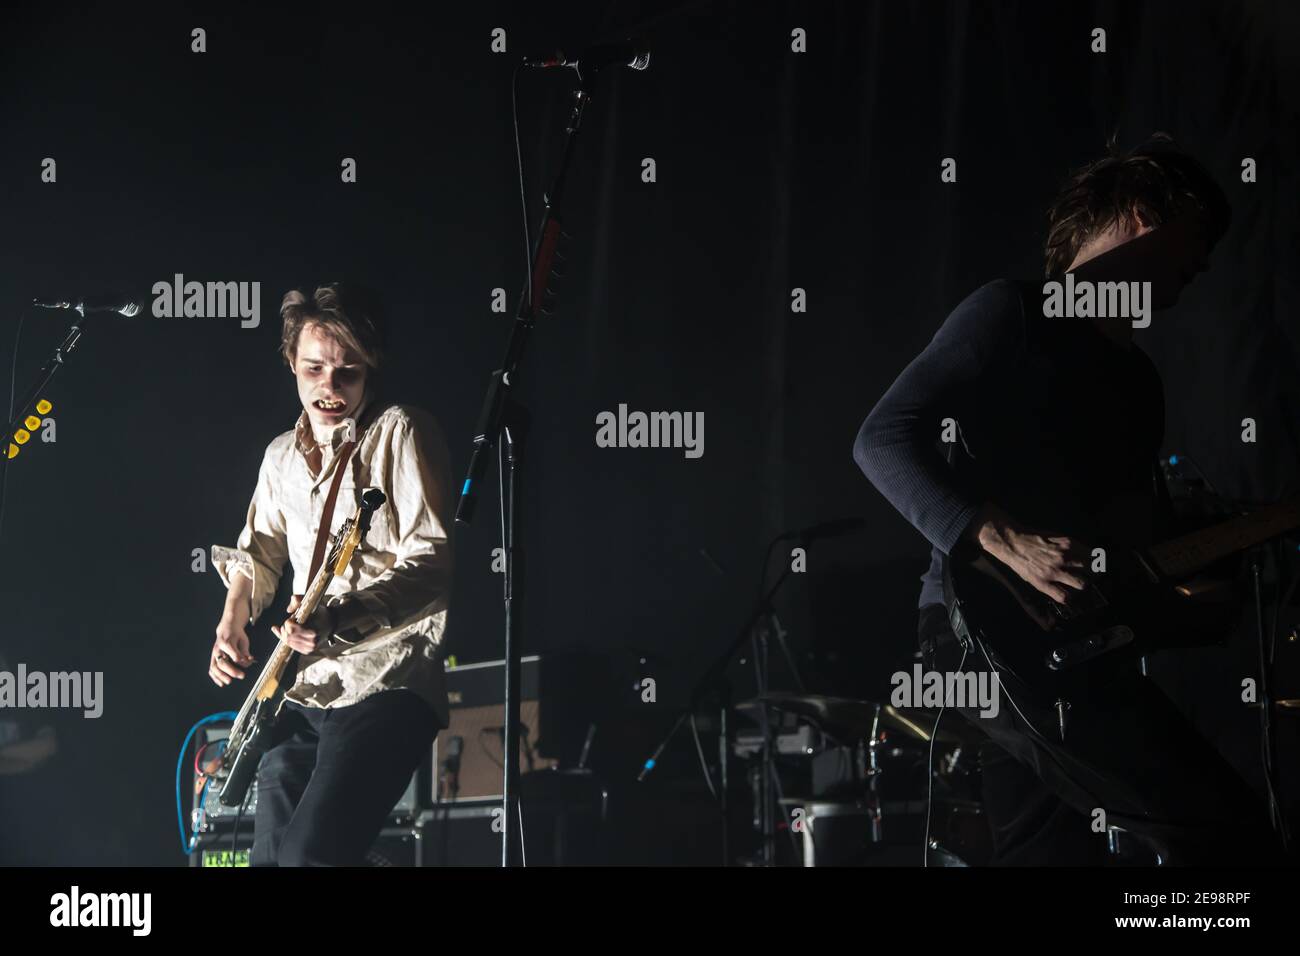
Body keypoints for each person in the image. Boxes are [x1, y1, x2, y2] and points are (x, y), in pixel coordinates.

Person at [853, 134, 1283, 865]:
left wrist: (1205, 585)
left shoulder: (1139, 382)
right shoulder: (1013, 315)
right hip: (981, 640)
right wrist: (1002, 538)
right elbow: (882, 438)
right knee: (1223, 836)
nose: (1202, 265)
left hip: (1079, 650)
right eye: (1198, 236)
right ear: (1147, 210)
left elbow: (1123, 552)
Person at [208, 283, 454, 866]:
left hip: (386, 682)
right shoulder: (278, 458)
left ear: (371, 367)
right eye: (315, 367)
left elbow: (432, 563)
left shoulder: (402, 432)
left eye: (348, 370)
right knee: (268, 863)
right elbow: (260, 553)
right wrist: (232, 619)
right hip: (301, 688)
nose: (330, 386)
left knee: (309, 860)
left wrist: (340, 615)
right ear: (291, 362)